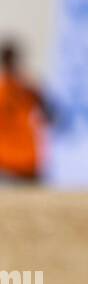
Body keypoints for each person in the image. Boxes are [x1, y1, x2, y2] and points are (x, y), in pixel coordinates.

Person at [0, 41, 50, 183]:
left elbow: (51, 115)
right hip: (7, 165)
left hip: (28, 163)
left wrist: (38, 95)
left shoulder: (27, 88)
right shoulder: (4, 89)